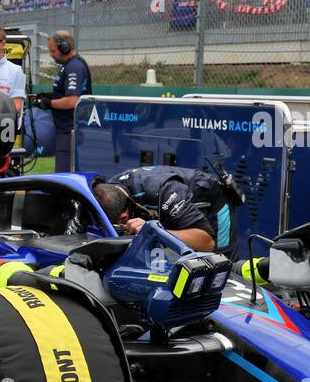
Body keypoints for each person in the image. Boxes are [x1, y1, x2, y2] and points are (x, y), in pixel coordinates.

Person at [93, 166, 235, 256]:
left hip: (214, 201)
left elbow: (207, 242)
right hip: (170, 210)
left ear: (124, 217)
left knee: (221, 262)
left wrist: (154, 231)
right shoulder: (110, 189)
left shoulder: (166, 191)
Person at [38, 30, 91, 173]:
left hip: (70, 131)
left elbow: (73, 100)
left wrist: (49, 103)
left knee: (64, 175)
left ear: (65, 47)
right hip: (67, 130)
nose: (51, 55)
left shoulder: (74, 67)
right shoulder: (69, 65)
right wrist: (50, 96)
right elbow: (67, 93)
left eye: (53, 51)